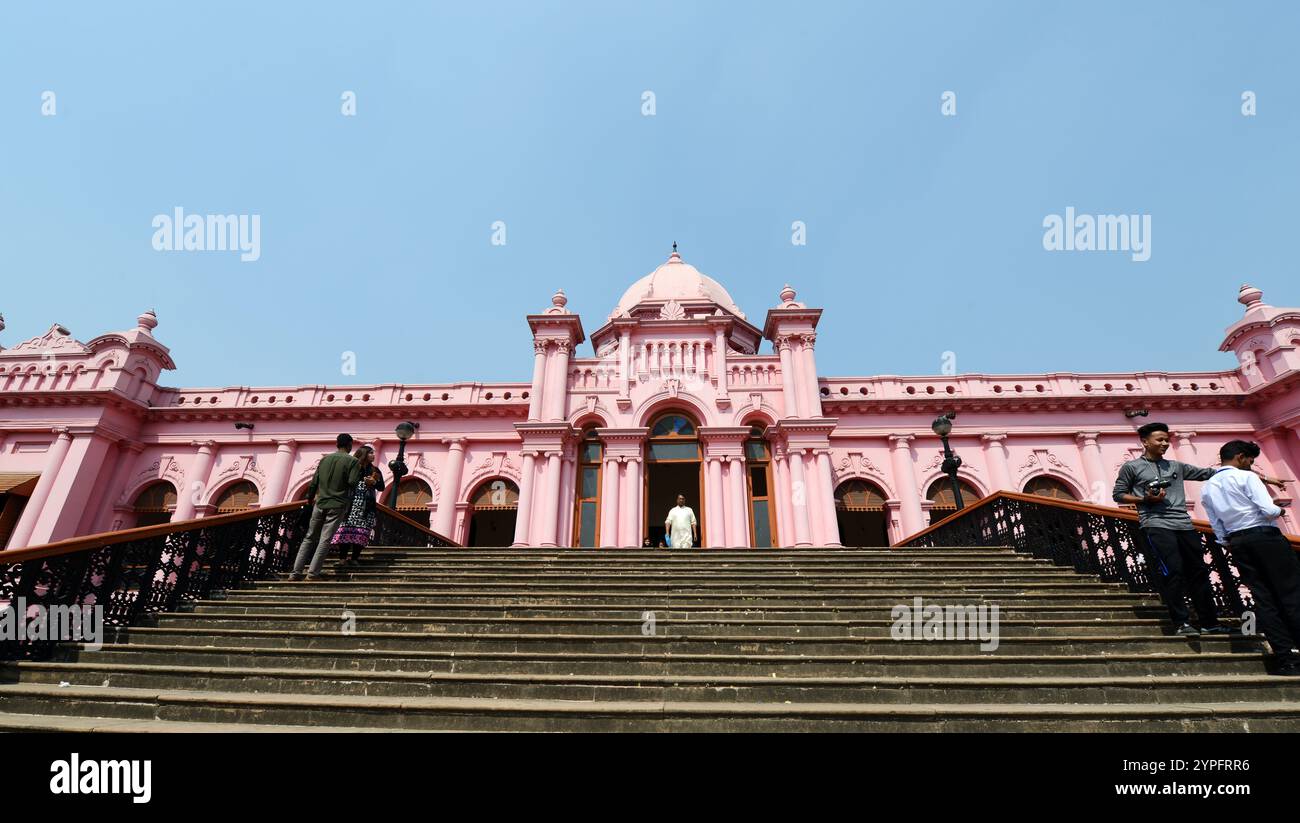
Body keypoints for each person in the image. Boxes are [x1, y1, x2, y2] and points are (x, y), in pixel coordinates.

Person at [1113, 422, 1287, 636]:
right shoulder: (1132, 467)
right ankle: (1181, 622)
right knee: (1173, 572)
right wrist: (1144, 499)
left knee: (1199, 572)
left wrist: (1266, 478)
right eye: (1159, 440)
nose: (1165, 443)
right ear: (1145, 442)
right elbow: (1118, 494)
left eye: (1167, 440)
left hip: (1185, 524)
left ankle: (1209, 622)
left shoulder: (1175, 466)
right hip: (1156, 524)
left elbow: (1217, 473)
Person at [1200, 440, 1299, 676]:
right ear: (1241, 457)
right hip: (1264, 536)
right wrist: (1281, 511)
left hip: (1238, 542)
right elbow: (1268, 510)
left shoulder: (1208, 487)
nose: (1250, 465)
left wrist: (1228, 542)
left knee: (1263, 598)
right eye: (1250, 461)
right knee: (1291, 593)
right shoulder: (1247, 477)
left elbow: (1216, 525)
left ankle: (1285, 659)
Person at [289, 434, 361, 580]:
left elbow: (314, 482)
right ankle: (312, 573)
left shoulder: (324, 459)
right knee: (325, 539)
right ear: (349, 445)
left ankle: (295, 572)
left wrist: (309, 499)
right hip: (337, 504)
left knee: (309, 537)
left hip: (320, 502)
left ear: (337, 444)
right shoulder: (353, 461)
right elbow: (353, 483)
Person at [332, 445, 385, 568]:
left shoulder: (375, 470)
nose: (373, 455)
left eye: (373, 453)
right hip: (352, 503)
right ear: (364, 454)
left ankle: (355, 558)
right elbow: (346, 481)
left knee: (363, 532)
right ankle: (342, 558)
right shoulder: (354, 467)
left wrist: (374, 482)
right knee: (346, 529)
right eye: (370, 453)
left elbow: (381, 487)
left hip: (367, 505)